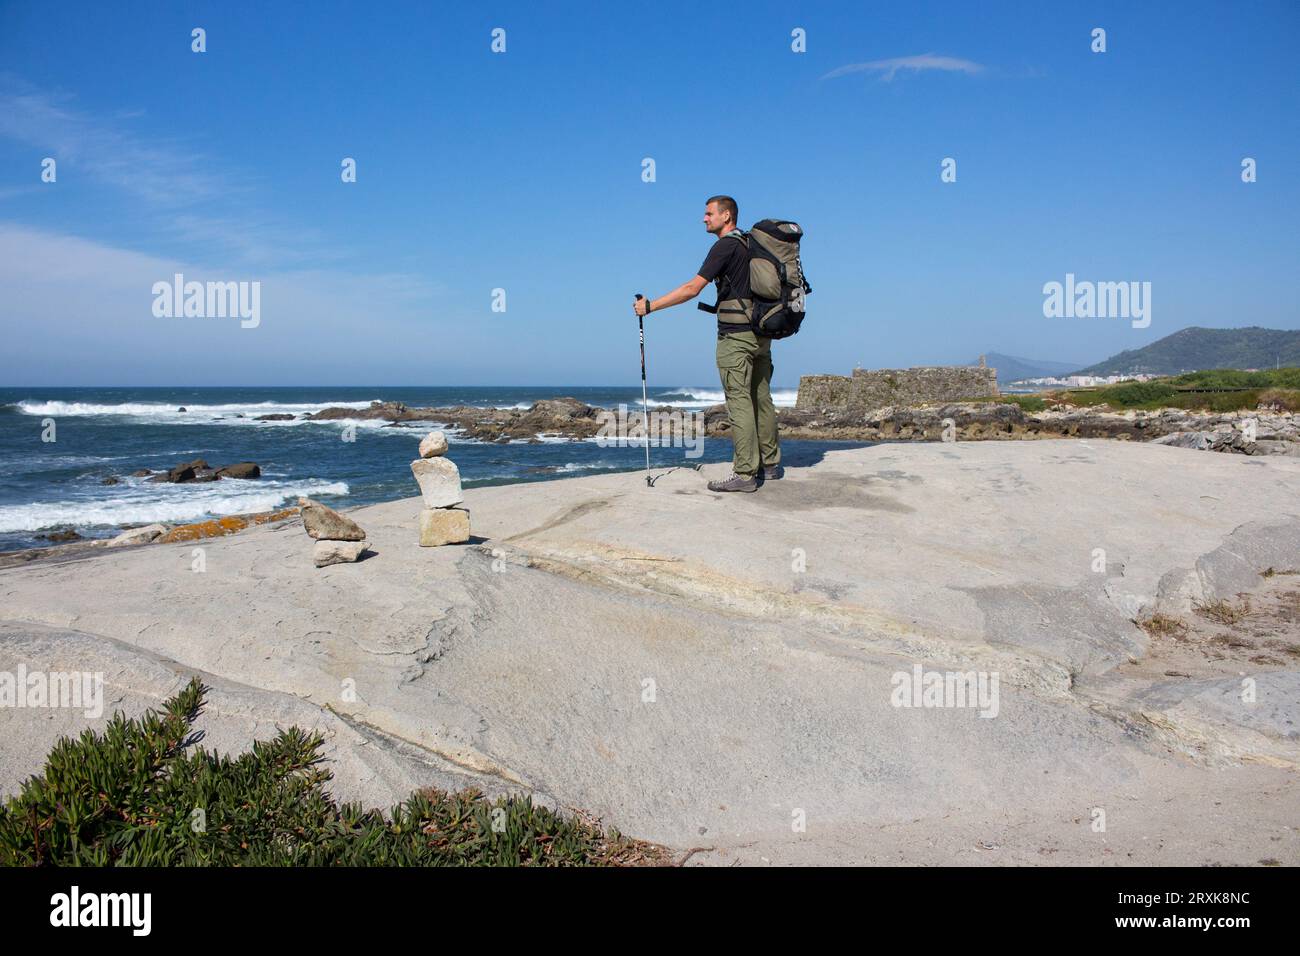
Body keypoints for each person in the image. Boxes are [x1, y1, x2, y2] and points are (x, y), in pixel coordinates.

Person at [632, 195, 782, 492]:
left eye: (709, 213)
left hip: (735, 337)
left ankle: (745, 474)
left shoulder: (725, 246)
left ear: (727, 216)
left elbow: (692, 288)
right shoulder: (753, 244)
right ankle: (770, 463)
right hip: (761, 335)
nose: (704, 218)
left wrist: (651, 307)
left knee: (738, 401)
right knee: (761, 398)